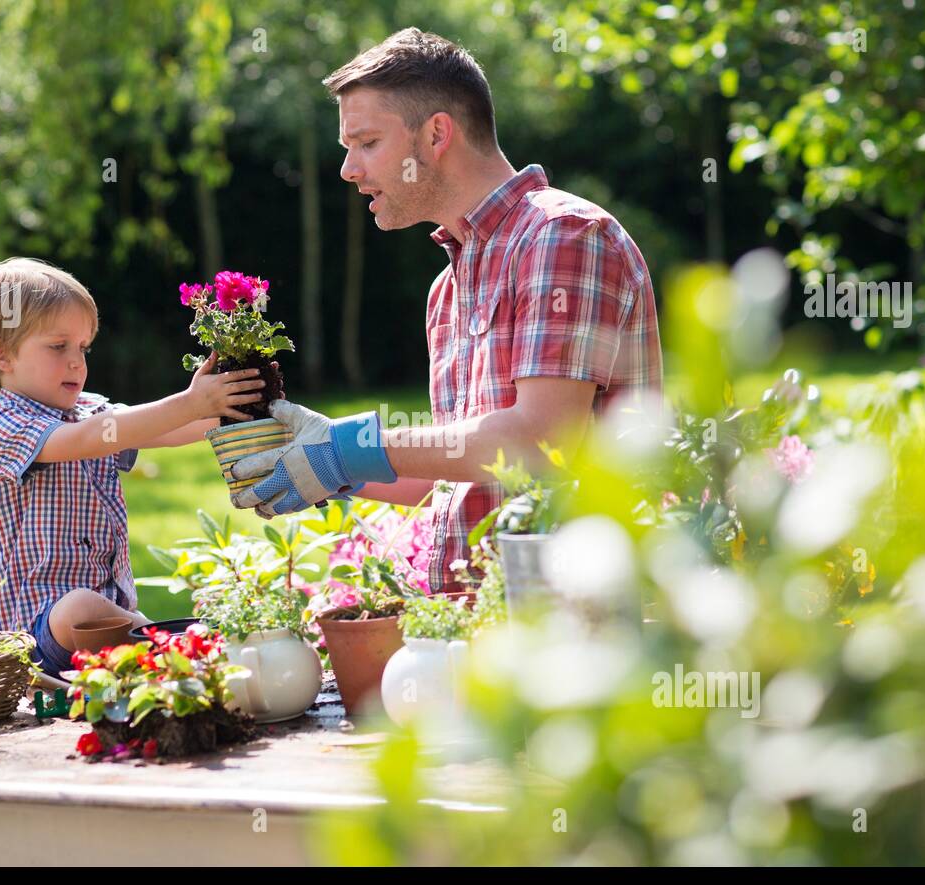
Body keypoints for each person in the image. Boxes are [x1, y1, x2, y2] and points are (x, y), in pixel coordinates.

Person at [230, 28, 662, 592]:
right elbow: (454, 474)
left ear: (436, 134)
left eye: (365, 143)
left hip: (567, 638)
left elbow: (540, 439)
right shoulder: (447, 291)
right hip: (467, 637)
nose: (348, 169)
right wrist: (320, 459)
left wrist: (349, 449)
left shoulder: (561, 237)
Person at [0, 257, 263, 677]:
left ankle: (158, 650)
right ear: (2, 355)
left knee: (108, 614)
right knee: (83, 605)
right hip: (39, 636)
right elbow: (91, 438)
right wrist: (190, 401)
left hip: (104, 625)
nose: (76, 362)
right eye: (58, 346)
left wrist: (239, 408)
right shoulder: (1, 424)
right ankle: (159, 647)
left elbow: (166, 429)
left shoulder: (89, 408)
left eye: (83, 348)